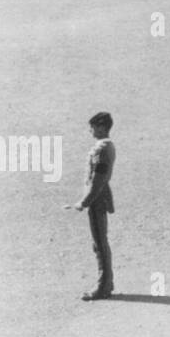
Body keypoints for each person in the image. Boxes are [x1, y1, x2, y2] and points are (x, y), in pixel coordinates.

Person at [69, 111, 116, 301]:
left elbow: (98, 180)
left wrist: (84, 202)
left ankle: (103, 287)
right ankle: (107, 282)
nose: (90, 130)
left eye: (93, 127)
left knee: (100, 244)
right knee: (100, 242)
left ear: (102, 127)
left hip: (97, 199)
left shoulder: (101, 149)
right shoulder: (106, 146)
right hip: (99, 198)